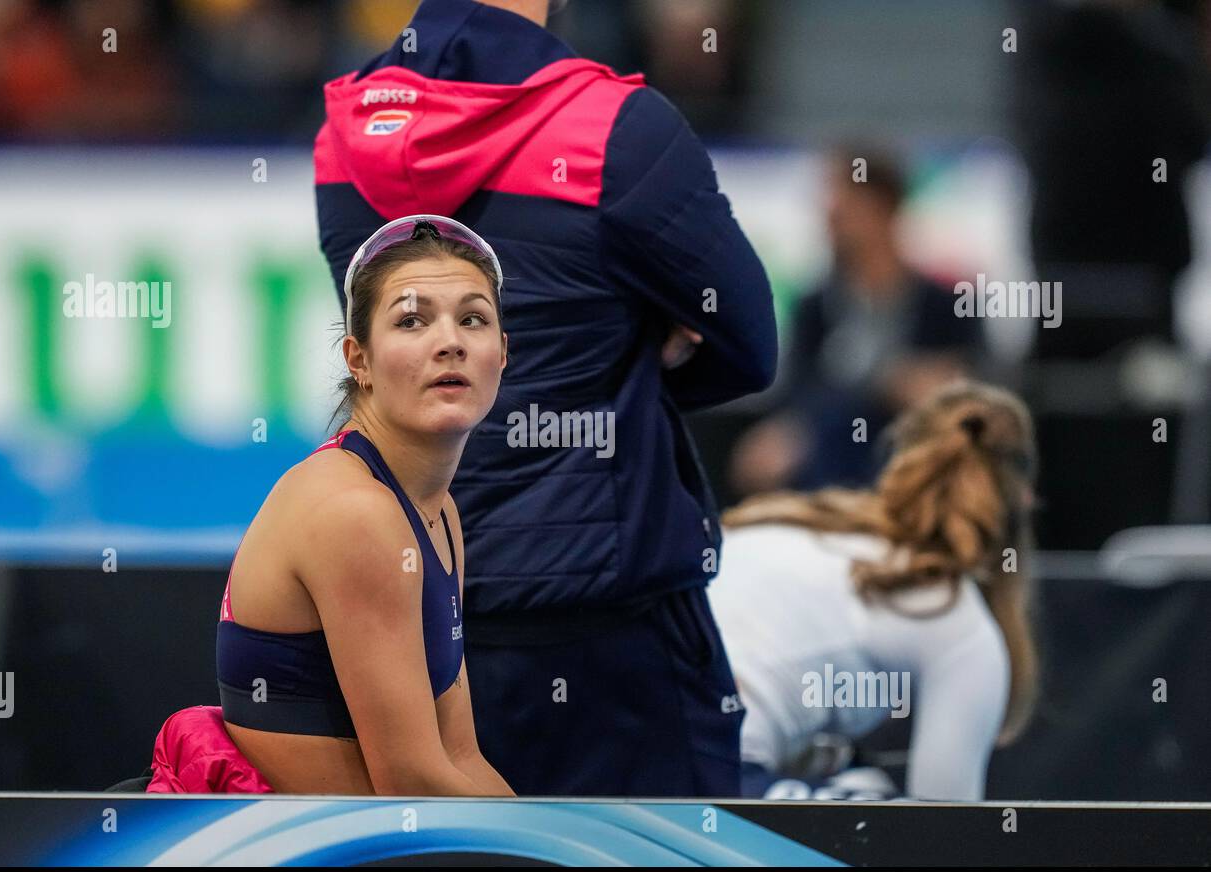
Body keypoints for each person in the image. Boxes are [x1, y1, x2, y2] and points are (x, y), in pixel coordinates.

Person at [314, 0, 778, 797]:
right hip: (616, 645)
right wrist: (638, 357)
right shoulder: (620, 128)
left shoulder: (344, 135)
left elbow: (400, 378)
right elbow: (749, 348)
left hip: (421, 622)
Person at [150, 215, 515, 796]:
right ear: (359, 360)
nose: (450, 341)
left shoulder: (438, 513)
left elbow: (460, 755)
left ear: (501, 353)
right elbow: (412, 784)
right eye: (412, 320)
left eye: (473, 318)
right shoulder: (355, 511)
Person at [708, 381, 1040, 801]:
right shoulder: (959, 622)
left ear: (900, 464)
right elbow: (949, 832)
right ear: (1025, 498)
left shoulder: (790, 518)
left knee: (839, 764)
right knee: (877, 799)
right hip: (699, 774)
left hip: (615, 746)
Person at [729, 147, 983, 497]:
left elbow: (976, 384)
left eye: (844, 206)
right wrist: (887, 384)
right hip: (832, 465)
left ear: (882, 210)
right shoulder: (816, 306)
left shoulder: (946, 305)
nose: (829, 218)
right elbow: (797, 395)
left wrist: (939, 391)